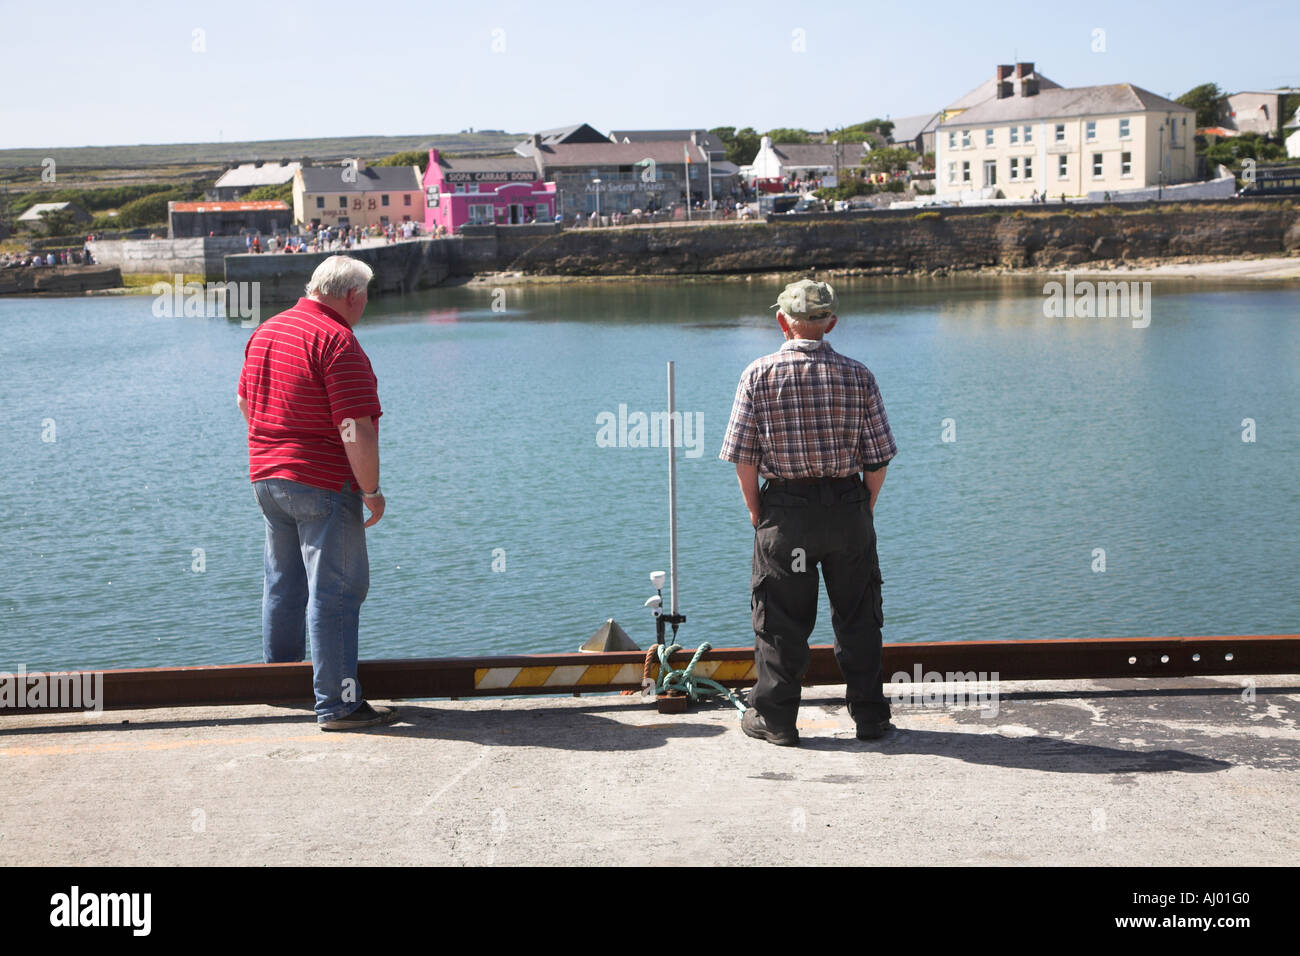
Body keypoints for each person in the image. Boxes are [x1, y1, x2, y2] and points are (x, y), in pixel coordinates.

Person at [720, 278, 897, 747]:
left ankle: (776, 720)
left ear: (781, 321)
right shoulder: (859, 375)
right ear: (831, 323)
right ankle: (870, 718)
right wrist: (862, 510)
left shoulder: (757, 374)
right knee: (859, 616)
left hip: (786, 514)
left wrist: (759, 515)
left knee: (780, 620)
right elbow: (877, 459)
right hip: (847, 510)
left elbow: (744, 460)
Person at [236, 255, 397, 731]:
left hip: (267, 480)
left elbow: (245, 401)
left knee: (284, 585)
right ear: (353, 296)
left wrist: (277, 448)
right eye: (365, 299)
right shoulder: (337, 340)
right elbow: (356, 431)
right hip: (322, 484)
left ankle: (283, 688)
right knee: (338, 591)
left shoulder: (267, 330)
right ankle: (338, 705)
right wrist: (371, 490)